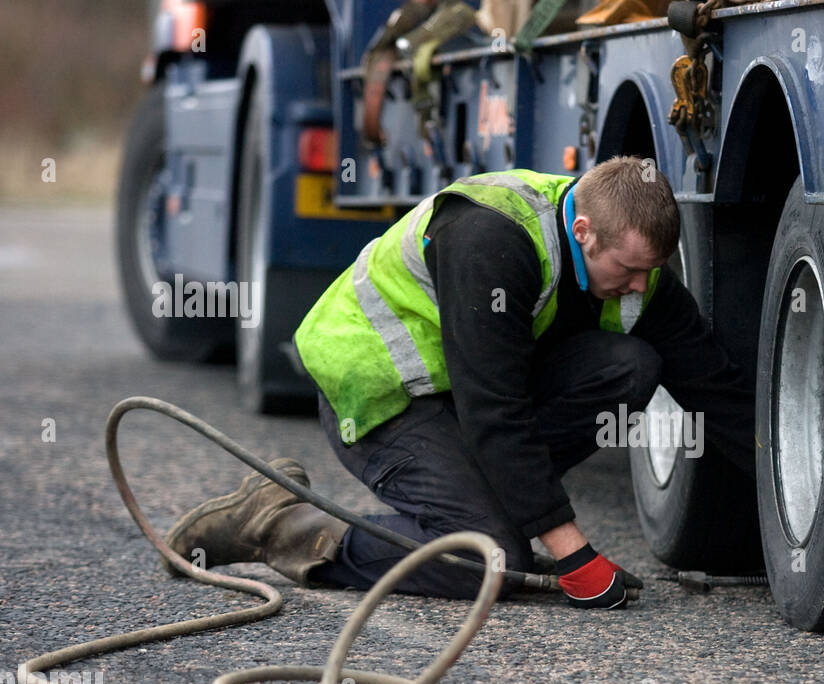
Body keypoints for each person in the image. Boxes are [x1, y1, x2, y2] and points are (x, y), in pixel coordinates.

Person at [164, 156, 753, 609]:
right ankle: (281, 526)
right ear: (584, 231)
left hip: (465, 400)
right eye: (627, 271)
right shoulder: (490, 241)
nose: (638, 287)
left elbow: (713, 388)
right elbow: (495, 411)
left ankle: (482, 514)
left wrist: (791, 483)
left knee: (634, 365)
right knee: (487, 558)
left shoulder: (633, 270)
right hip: (381, 395)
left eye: (650, 272)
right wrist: (572, 553)